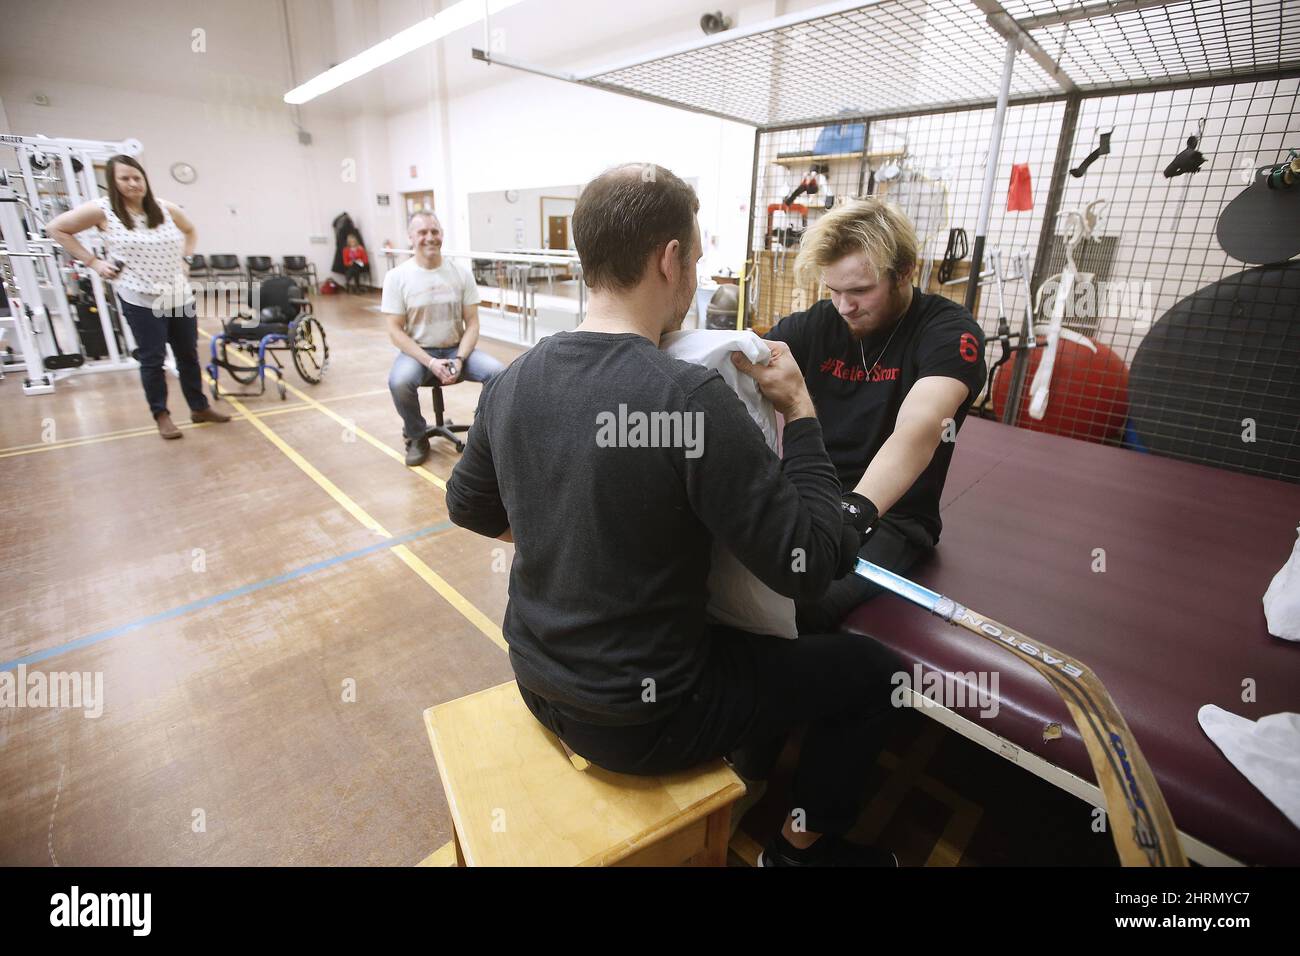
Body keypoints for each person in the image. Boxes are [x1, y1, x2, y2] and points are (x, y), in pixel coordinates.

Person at [446, 164, 903, 867]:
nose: (695, 275)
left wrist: (572, 529)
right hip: (645, 719)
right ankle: (802, 850)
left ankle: (750, 768)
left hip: (536, 678)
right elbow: (808, 562)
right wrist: (800, 413)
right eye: (694, 257)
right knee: (873, 672)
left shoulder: (513, 379)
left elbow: (468, 506)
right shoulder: (684, 395)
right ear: (669, 259)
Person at [765, 198, 987, 633]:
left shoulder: (948, 332)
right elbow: (738, 358)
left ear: (905, 272)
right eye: (833, 290)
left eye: (860, 291)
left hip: (890, 516)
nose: (844, 306)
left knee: (800, 603)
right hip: (810, 492)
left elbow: (921, 427)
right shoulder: (820, 322)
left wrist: (855, 512)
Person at [47, 155, 231, 439]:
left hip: (177, 294)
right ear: (114, 181)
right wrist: (94, 262)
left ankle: (199, 407)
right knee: (152, 358)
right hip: (140, 297)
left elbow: (191, 230)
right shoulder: (102, 210)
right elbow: (57, 228)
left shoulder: (165, 208)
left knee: (188, 355)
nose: (133, 183)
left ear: (145, 179)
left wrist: (187, 258)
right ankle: (162, 416)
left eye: (137, 177)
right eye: (125, 178)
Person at [382, 212, 505, 466]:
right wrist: (429, 362)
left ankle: (482, 433)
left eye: (434, 231)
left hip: (455, 350)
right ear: (410, 238)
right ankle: (417, 435)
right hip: (417, 353)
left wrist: (460, 358)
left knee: (498, 374)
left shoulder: (460, 274)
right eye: (422, 232)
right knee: (399, 382)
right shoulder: (397, 277)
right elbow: (395, 331)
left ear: (442, 234)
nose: (430, 237)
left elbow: (472, 323)